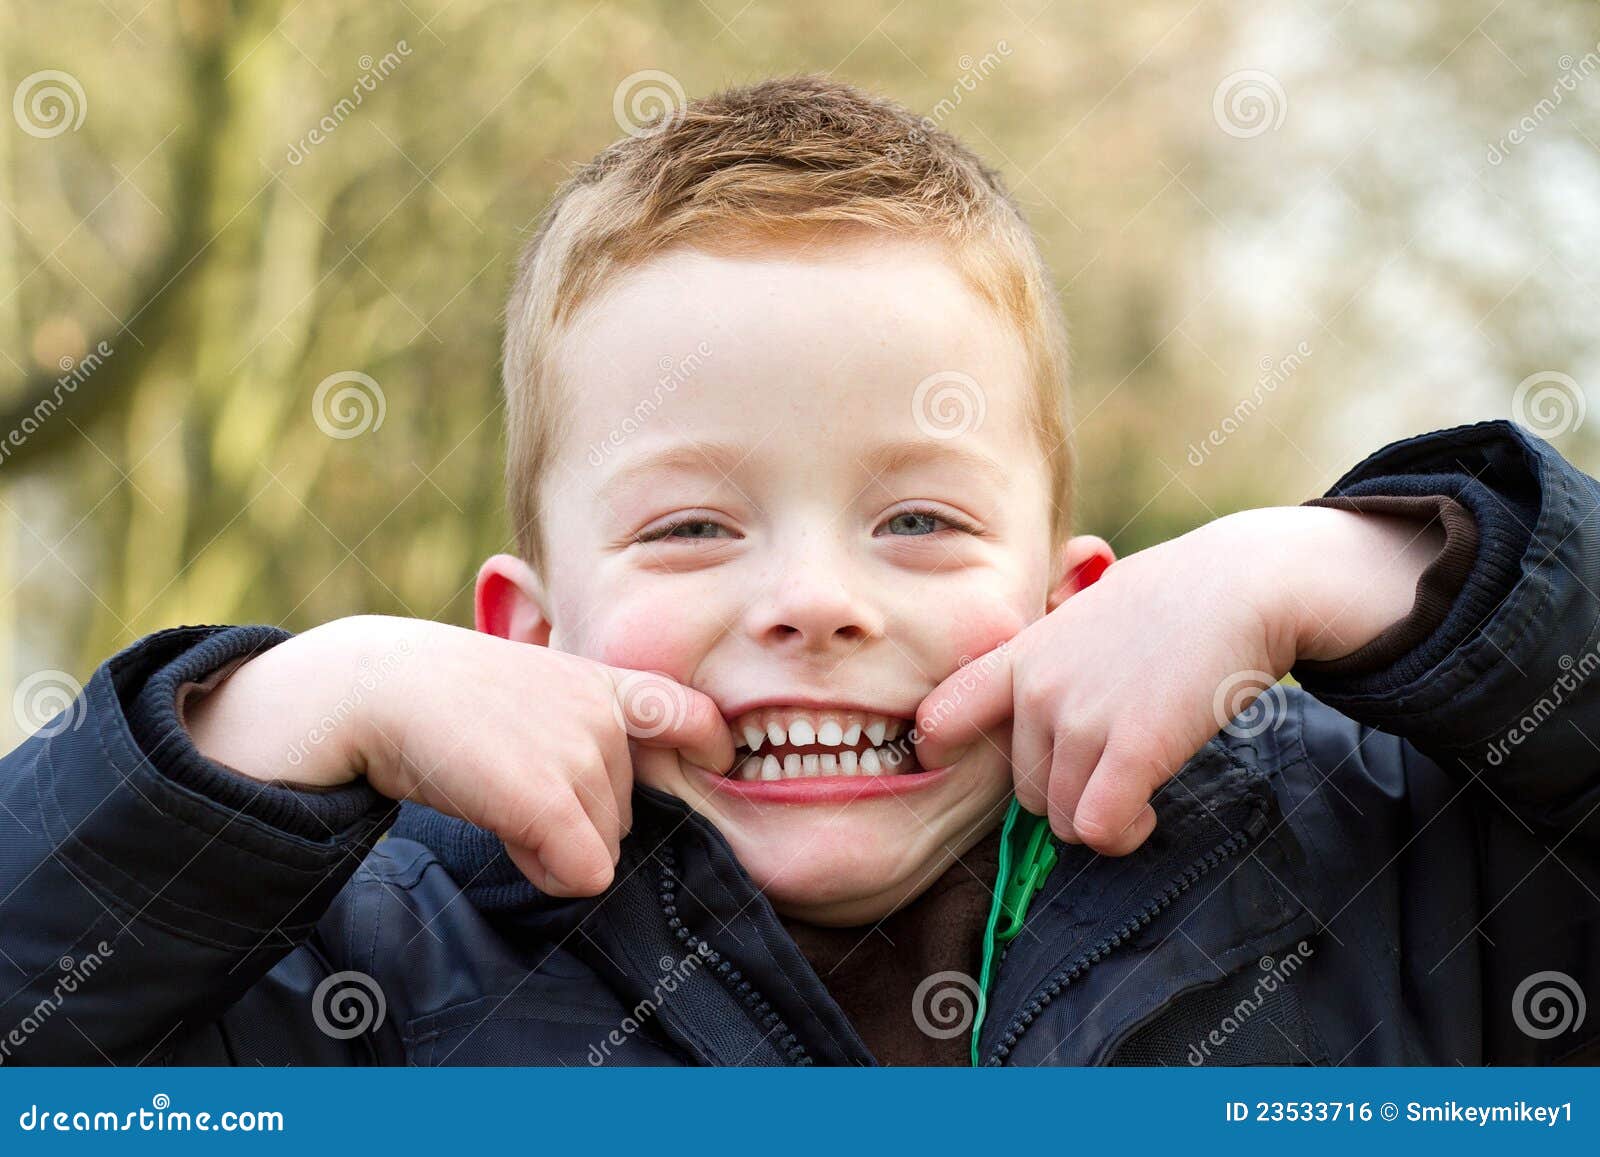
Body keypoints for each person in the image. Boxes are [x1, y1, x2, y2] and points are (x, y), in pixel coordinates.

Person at [2, 76, 1596, 1067]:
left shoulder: (1375, 872)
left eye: (919, 521)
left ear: (1079, 605)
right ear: (527, 634)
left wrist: (1380, 566)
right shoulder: (369, 956)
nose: (813, 600)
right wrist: (265, 725)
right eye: (693, 526)